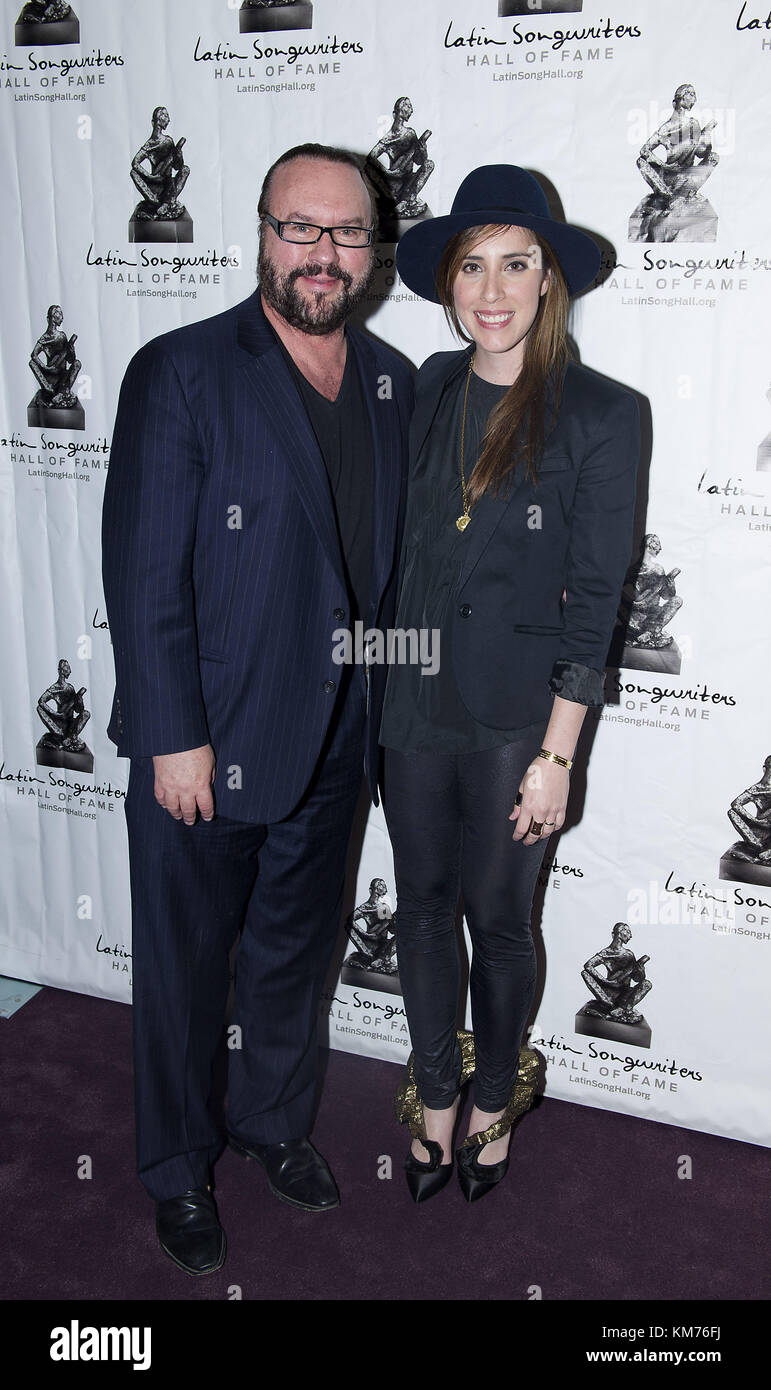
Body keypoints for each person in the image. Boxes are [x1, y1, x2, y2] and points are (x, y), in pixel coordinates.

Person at [101, 144, 412, 1273]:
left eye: (345, 235)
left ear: (371, 253)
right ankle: (179, 1169)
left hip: (339, 734)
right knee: (186, 966)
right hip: (210, 737)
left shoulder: (392, 382)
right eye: (301, 229)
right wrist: (172, 731)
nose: (322, 255)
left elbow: (381, 572)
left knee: (294, 951)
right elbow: (142, 574)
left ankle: (275, 1121)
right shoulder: (181, 369)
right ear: (263, 233)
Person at [379, 164, 640, 1202]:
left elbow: (596, 596)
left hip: (517, 716)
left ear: (548, 282)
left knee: (499, 914)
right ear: (450, 281)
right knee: (419, 905)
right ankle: (432, 1091)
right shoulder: (424, 386)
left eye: (515, 265)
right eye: (472, 265)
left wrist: (556, 754)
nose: (490, 289)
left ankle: (494, 1098)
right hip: (410, 696)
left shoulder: (605, 413)